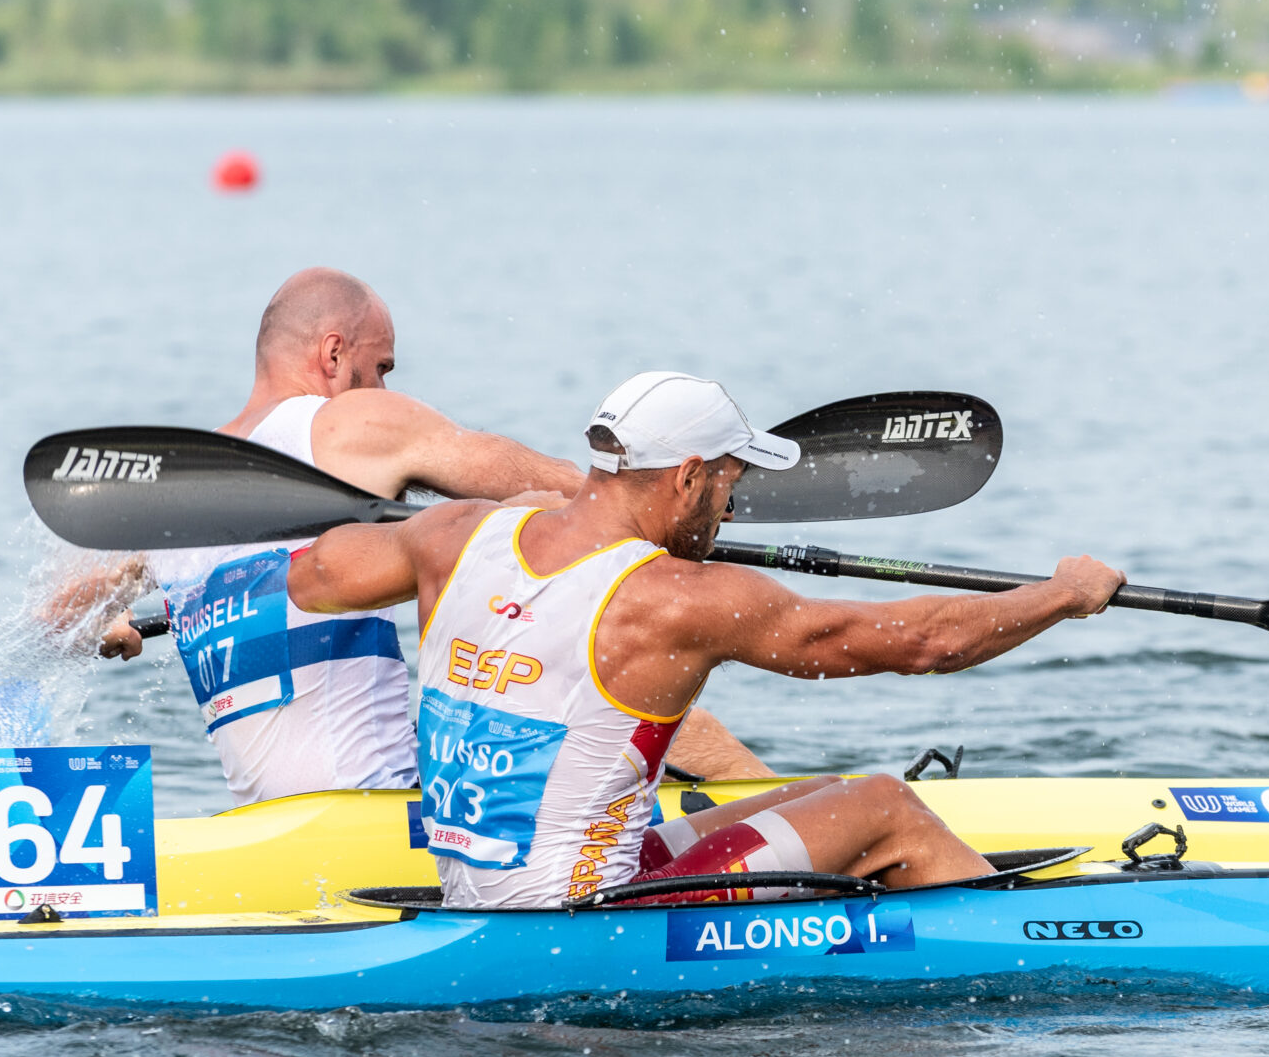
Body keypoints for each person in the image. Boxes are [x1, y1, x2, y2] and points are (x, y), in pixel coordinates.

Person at [288, 370, 1126, 908]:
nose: (729, 507)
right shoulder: (676, 600)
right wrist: (1060, 596)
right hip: (578, 919)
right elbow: (916, 643)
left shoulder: (454, 536)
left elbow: (310, 575)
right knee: (885, 807)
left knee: (826, 791)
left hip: (477, 888)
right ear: (688, 475)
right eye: (728, 482)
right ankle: (1022, 939)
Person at [55, 269, 773, 805]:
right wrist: (680, 509)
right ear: (334, 354)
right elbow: (573, 493)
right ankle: (813, 856)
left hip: (272, 826)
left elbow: (58, 613)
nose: (385, 386)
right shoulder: (348, 421)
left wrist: (112, 624)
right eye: (381, 367)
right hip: (382, 809)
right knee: (652, 702)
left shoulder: (179, 490)